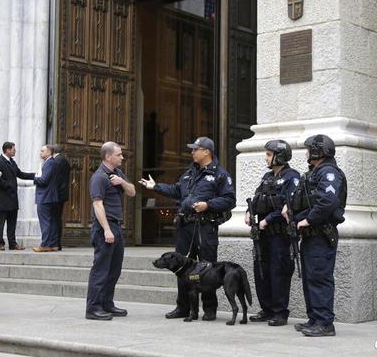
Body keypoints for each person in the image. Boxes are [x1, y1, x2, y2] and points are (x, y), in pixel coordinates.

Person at [139, 136, 236, 321]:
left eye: (195, 149)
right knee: (181, 267)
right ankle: (183, 308)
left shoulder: (220, 174)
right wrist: (155, 187)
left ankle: (209, 310)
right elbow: (177, 191)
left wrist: (208, 205)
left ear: (206, 152)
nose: (191, 152)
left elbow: (230, 199)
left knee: (207, 269)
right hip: (185, 227)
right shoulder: (188, 173)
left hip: (205, 227)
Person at [283, 134, 347, 337]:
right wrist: (290, 209)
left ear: (319, 151)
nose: (306, 153)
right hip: (310, 236)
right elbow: (307, 201)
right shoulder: (312, 173)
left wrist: (308, 220)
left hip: (321, 234)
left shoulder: (328, 172)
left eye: (309, 149)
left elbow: (327, 202)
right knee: (310, 278)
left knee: (319, 277)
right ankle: (315, 319)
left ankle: (325, 323)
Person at [245, 140, 300, 326]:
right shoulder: (267, 177)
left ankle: (279, 312)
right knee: (261, 270)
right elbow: (256, 197)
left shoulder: (292, 177)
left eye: (269, 154)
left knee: (279, 272)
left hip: (280, 235)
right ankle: (267, 309)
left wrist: (268, 220)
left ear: (280, 156)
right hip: (262, 234)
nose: (266, 158)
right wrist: (248, 212)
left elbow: (291, 205)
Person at [86, 141, 136, 320]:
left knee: (114, 269)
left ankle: (107, 303)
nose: (122, 157)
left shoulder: (117, 173)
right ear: (108, 156)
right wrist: (107, 230)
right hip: (104, 228)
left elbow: (132, 192)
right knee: (101, 269)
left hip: (116, 226)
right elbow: (97, 205)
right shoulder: (99, 177)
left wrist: (122, 181)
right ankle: (93, 308)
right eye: (119, 154)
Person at [0, 141, 35, 251]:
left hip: (13, 197)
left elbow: (20, 174)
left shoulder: (12, 162)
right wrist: (8, 185)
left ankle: (12, 243)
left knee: (12, 221)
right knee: (1, 221)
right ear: (7, 150)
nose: (15, 151)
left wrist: (35, 176)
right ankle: (0, 243)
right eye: (13, 149)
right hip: (3, 196)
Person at [32, 144, 60, 252]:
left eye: (42, 151)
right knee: (51, 221)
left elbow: (43, 180)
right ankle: (52, 244)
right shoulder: (52, 162)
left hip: (45, 197)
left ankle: (45, 244)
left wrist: (34, 179)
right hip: (51, 197)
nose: (40, 153)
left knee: (45, 222)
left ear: (49, 152)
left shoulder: (49, 163)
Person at [53, 145, 71, 250]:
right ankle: (57, 243)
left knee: (55, 219)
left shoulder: (56, 161)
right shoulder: (64, 160)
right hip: (61, 194)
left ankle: (55, 243)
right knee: (57, 218)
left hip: (56, 194)